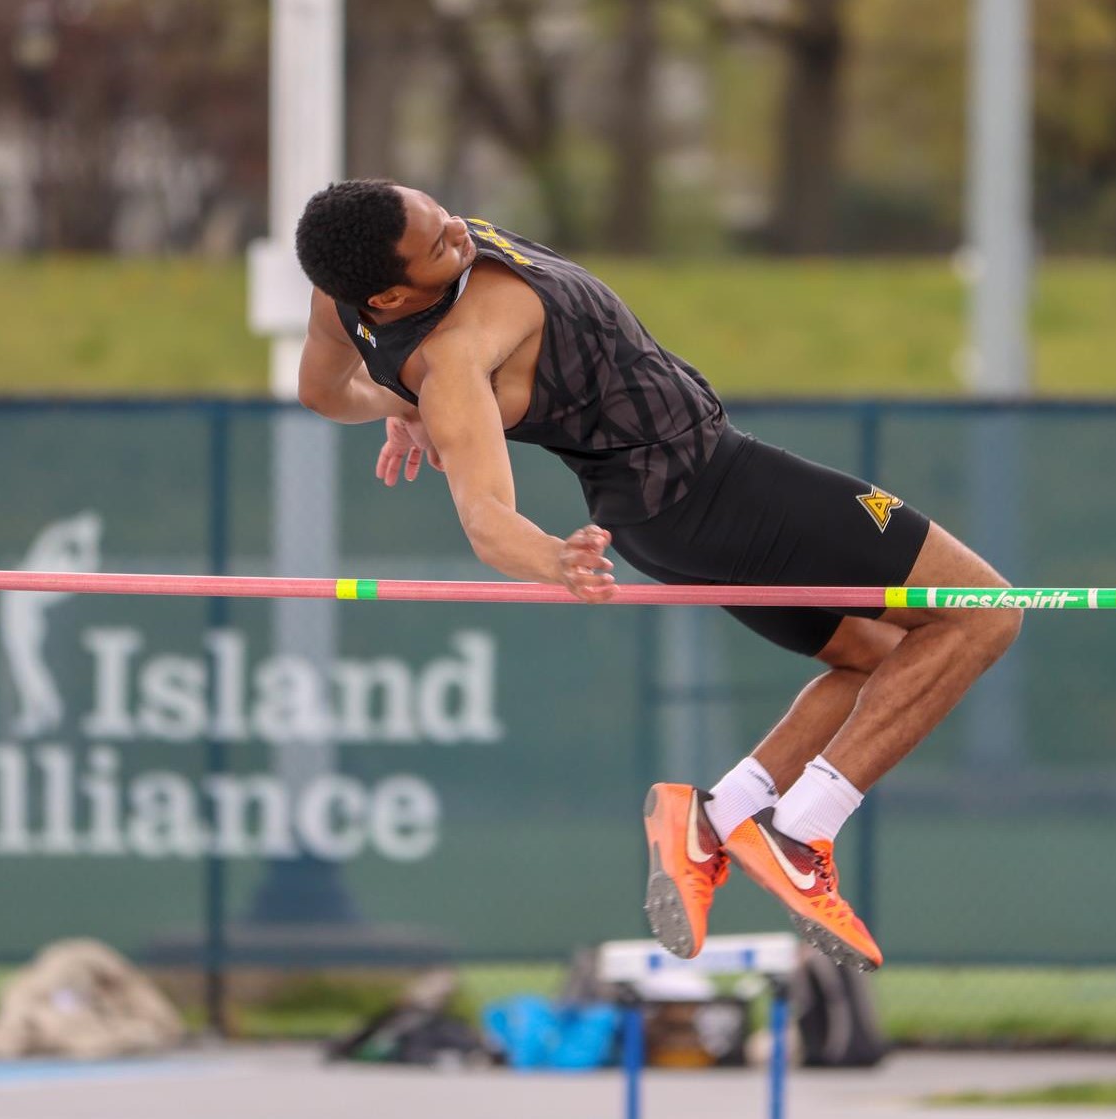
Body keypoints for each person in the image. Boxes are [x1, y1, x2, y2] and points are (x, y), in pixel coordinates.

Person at [292, 179, 1020, 971]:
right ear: (393, 292)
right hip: (720, 492)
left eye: (444, 212)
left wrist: (398, 401)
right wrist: (549, 556)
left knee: (883, 665)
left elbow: (324, 389)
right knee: (985, 610)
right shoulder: (458, 355)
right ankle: (800, 831)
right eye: (439, 245)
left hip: (667, 519)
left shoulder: (348, 302)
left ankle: (713, 820)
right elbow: (484, 518)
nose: (460, 232)